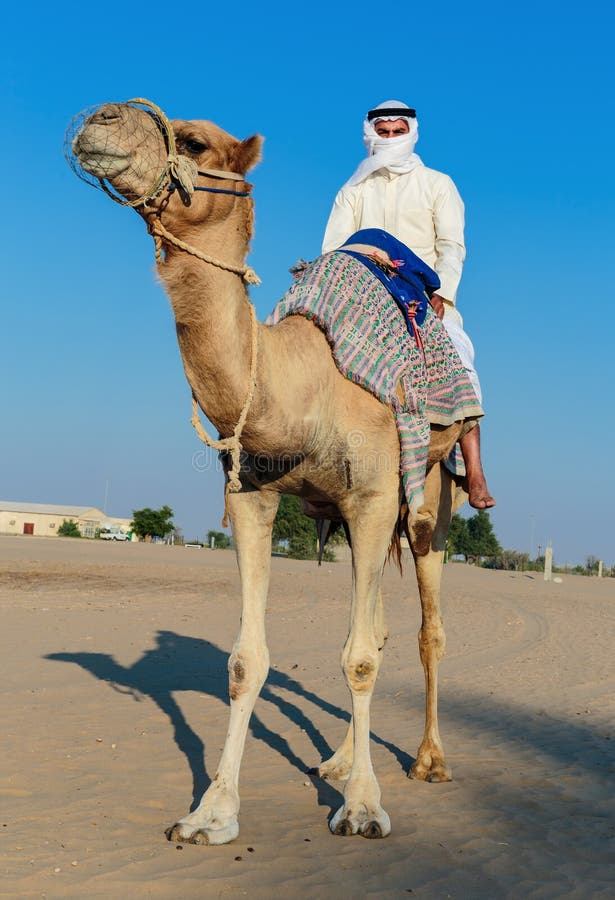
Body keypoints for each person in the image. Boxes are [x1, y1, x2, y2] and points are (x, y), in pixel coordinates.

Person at [322, 99, 495, 509]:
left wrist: (443, 293)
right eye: (384, 132)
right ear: (371, 134)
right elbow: (333, 249)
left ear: (412, 133)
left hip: (427, 299)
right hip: (366, 297)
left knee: (459, 359)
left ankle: (475, 470)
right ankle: (318, 474)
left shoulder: (438, 184)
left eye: (398, 132)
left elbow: (452, 246)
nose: (391, 140)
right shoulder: (352, 190)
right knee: (318, 358)